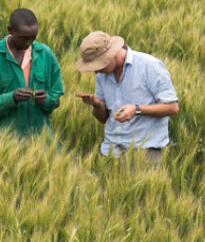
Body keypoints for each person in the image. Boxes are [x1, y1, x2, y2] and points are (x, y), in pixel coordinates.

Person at [73, 30, 180, 166]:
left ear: (111, 55)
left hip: (146, 154)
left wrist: (137, 109)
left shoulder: (149, 66)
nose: (96, 71)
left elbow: (173, 107)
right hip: (110, 152)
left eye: (99, 65)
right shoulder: (101, 75)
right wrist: (97, 104)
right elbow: (103, 119)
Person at [0, 8, 63, 136]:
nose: (28, 43)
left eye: (33, 38)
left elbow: (55, 100)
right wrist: (12, 98)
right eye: (24, 38)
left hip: (41, 144)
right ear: (10, 30)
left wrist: (45, 99)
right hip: (4, 144)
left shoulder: (46, 55)